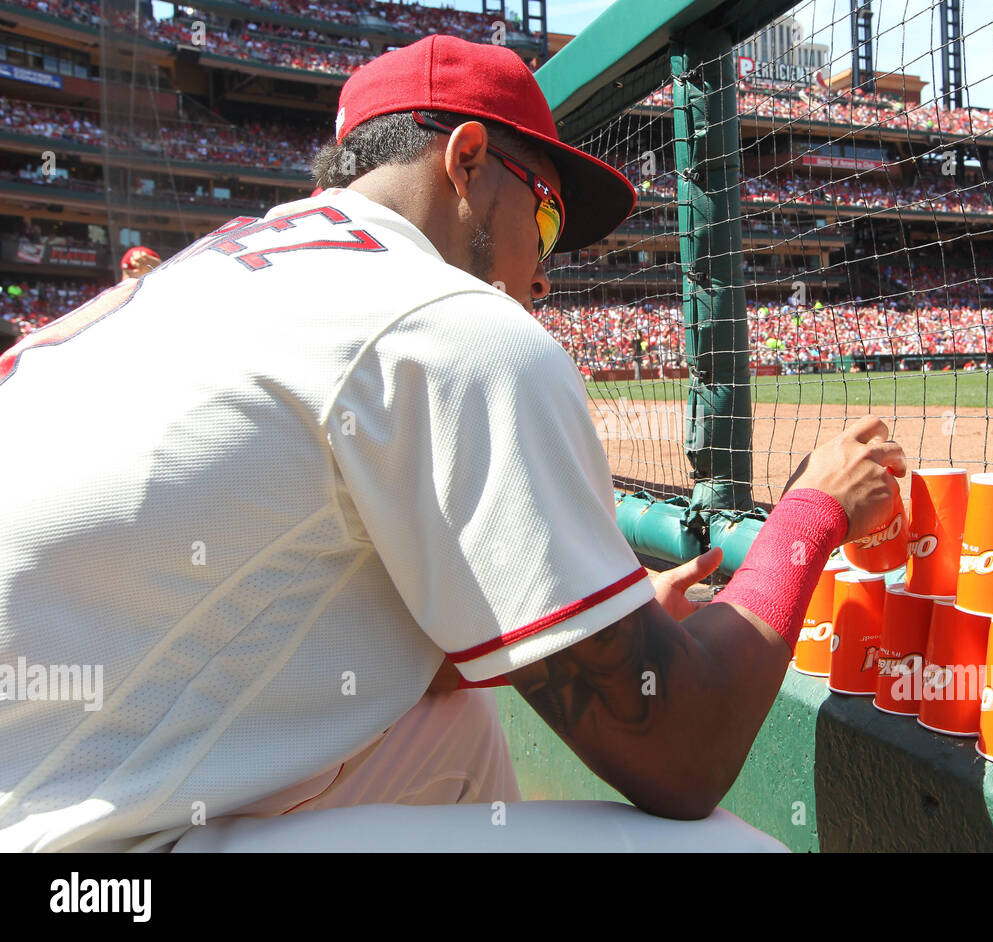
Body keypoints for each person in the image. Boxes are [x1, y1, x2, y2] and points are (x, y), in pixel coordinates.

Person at [0, 35, 904, 852]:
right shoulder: (441, 320)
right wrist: (810, 511)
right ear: (467, 158)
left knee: (458, 732)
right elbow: (684, 752)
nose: (544, 275)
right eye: (546, 218)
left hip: (54, 779)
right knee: (729, 852)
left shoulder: (202, 274)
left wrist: (594, 628)